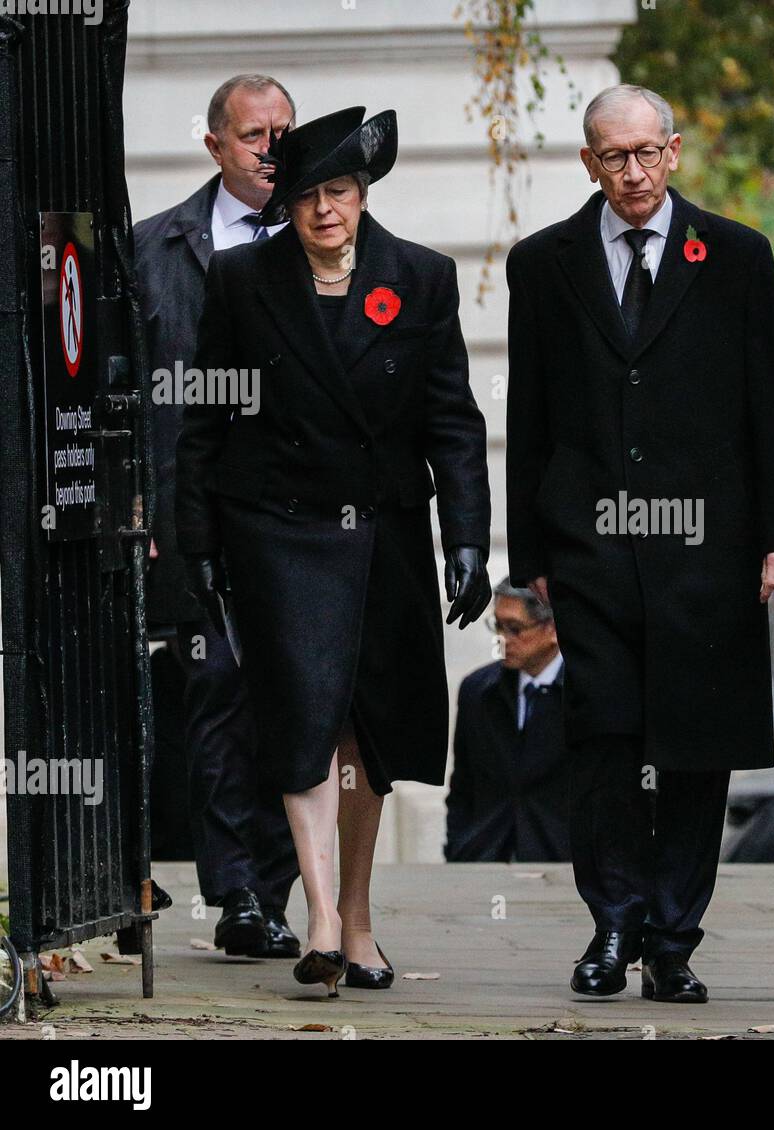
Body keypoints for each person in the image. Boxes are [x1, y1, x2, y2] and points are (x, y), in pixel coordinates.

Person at [505, 84, 774, 1003]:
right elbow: (529, 413)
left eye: (648, 153)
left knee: (694, 741)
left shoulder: (735, 256)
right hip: (590, 544)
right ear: (588, 162)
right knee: (603, 738)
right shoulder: (545, 262)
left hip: (709, 548)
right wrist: (531, 548)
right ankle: (612, 928)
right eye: (615, 157)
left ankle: (675, 940)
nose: (634, 172)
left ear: (676, 151)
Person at [176, 106, 492, 996]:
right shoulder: (243, 278)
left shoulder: (421, 277)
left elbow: (452, 420)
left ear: (363, 195)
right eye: (309, 194)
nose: (325, 210)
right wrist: (197, 537)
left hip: (384, 529)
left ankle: (357, 917)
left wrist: (467, 536)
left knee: (370, 729)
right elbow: (205, 413)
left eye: (341, 192)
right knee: (302, 715)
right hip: (276, 527)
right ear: (291, 202)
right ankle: (318, 917)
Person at [133, 74, 300, 959]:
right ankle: (239, 896)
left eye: (282, 132)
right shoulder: (153, 250)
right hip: (194, 525)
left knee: (297, 710)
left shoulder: (323, 234)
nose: (270, 150)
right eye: (251, 136)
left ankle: (273, 892)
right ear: (214, 145)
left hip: (303, 523)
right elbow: (123, 396)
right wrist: (148, 510)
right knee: (218, 701)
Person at [445, 580, 570, 863]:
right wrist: (458, 848)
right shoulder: (477, 690)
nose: (502, 639)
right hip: (484, 859)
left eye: (514, 629)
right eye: (497, 626)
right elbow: (463, 787)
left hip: (565, 867)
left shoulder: (586, 695)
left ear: (553, 629)